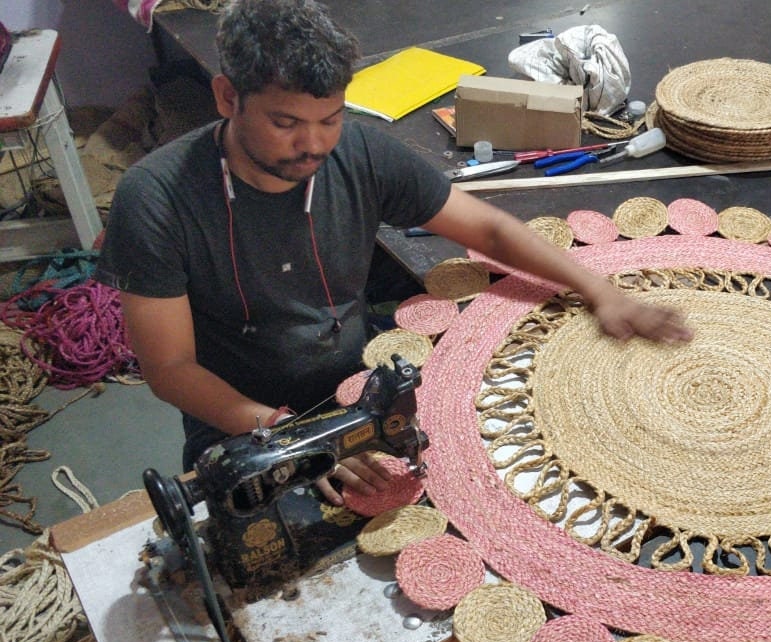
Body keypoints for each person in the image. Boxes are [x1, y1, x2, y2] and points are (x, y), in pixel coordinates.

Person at [94, 0, 691, 506]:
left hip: (360, 382)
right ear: (227, 97)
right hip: (244, 420)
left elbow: (487, 231)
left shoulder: (356, 152)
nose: (313, 145)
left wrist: (598, 289)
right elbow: (169, 369)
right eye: (285, 123)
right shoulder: (156, 198)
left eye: (328, 119)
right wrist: (296, 440)